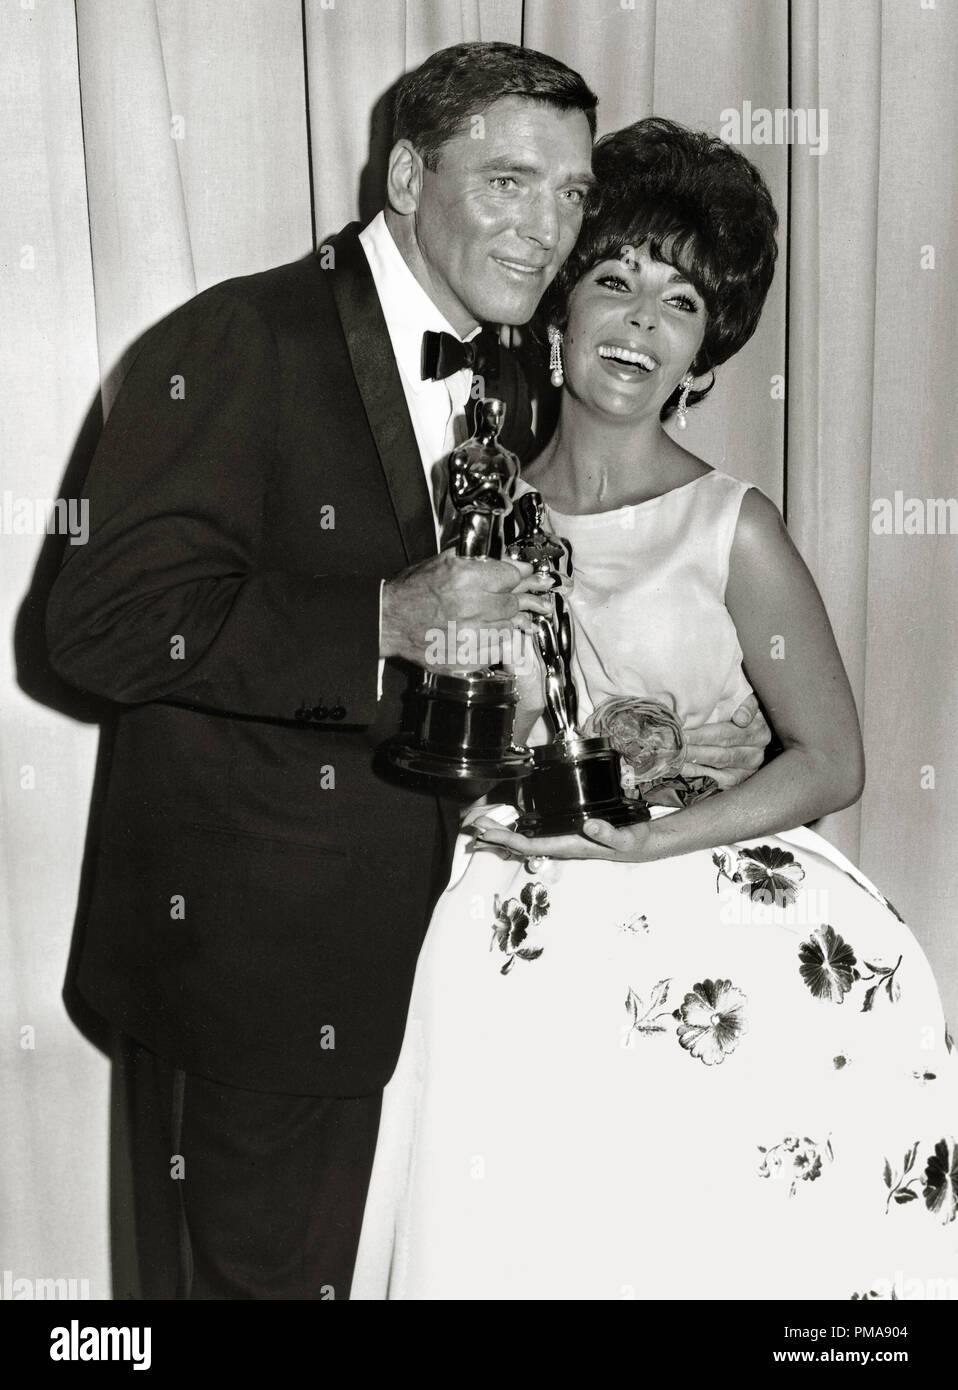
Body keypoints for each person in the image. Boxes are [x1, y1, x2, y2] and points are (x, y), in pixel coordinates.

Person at [45, 45, 766, 1298]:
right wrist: (378, 614)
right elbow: (98, 624)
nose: (545, 230)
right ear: (402, 174)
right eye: (507, 182)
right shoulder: (240, 337)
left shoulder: (507, 370)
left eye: (569, 194)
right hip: (253, 979)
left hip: (440, 973)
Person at [352, 118, 958, 1300]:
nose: (638, 321)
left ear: (703, 355)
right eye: (615, 282)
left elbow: (831, 761)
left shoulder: (733, 525)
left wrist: (649, 839)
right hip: (512, 946)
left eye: (677, 304)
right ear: (560, 309)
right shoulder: (467, 519)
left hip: (720, 943)